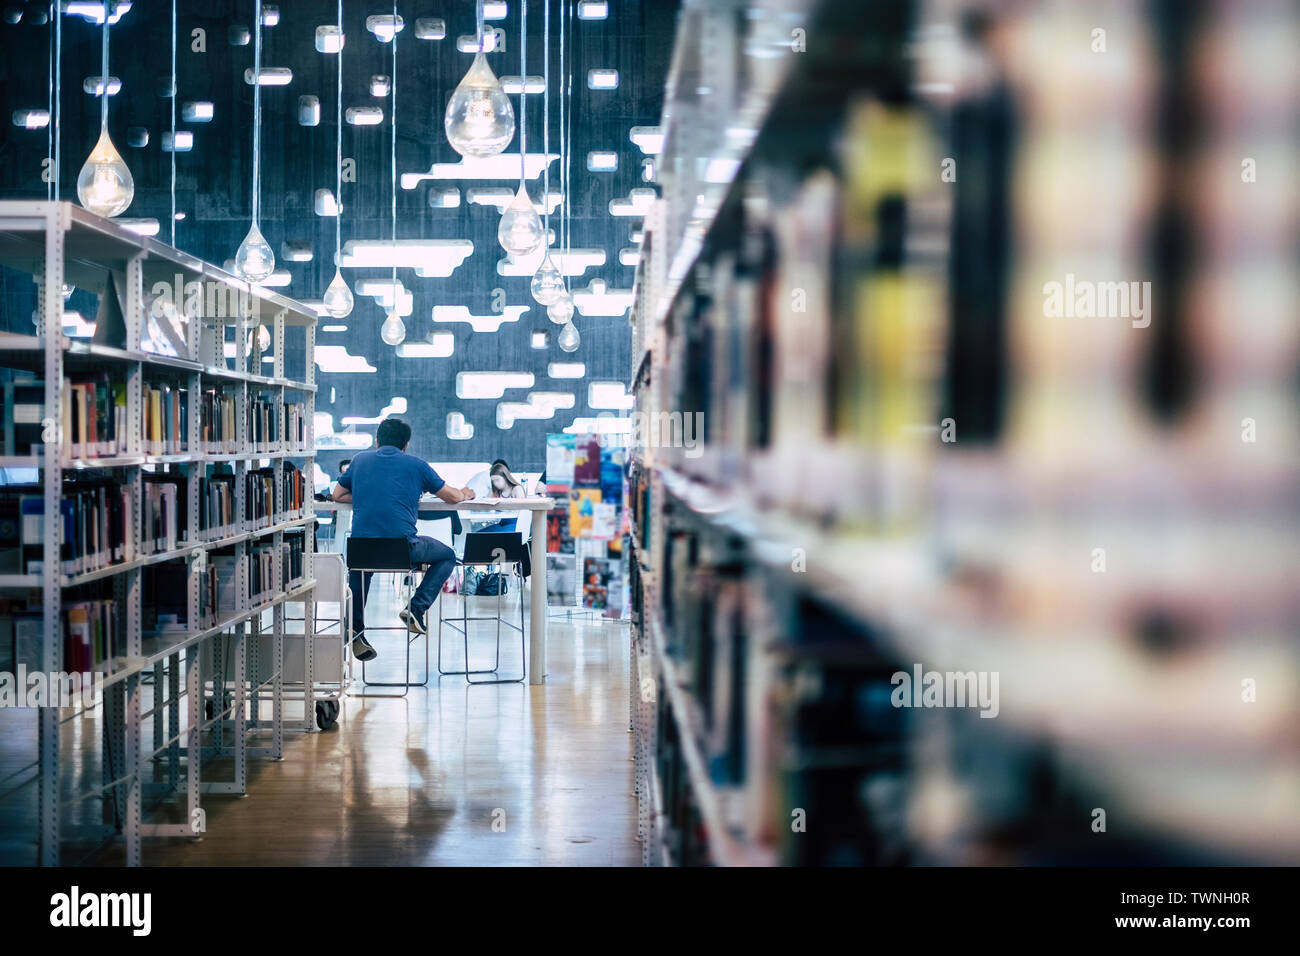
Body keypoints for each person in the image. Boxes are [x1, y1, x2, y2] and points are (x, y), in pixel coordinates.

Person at [332, 417, 475, 661]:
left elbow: (337, 495)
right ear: (406, 445)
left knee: (360, 566)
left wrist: (368, 497)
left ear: (377, 441)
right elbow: (451, 497)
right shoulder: (416, 465)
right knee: (448, 555)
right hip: (402, 549)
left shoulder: (359, 461)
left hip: (362, 549)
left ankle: (355, 630)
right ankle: (416, 608)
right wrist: (465, 493)